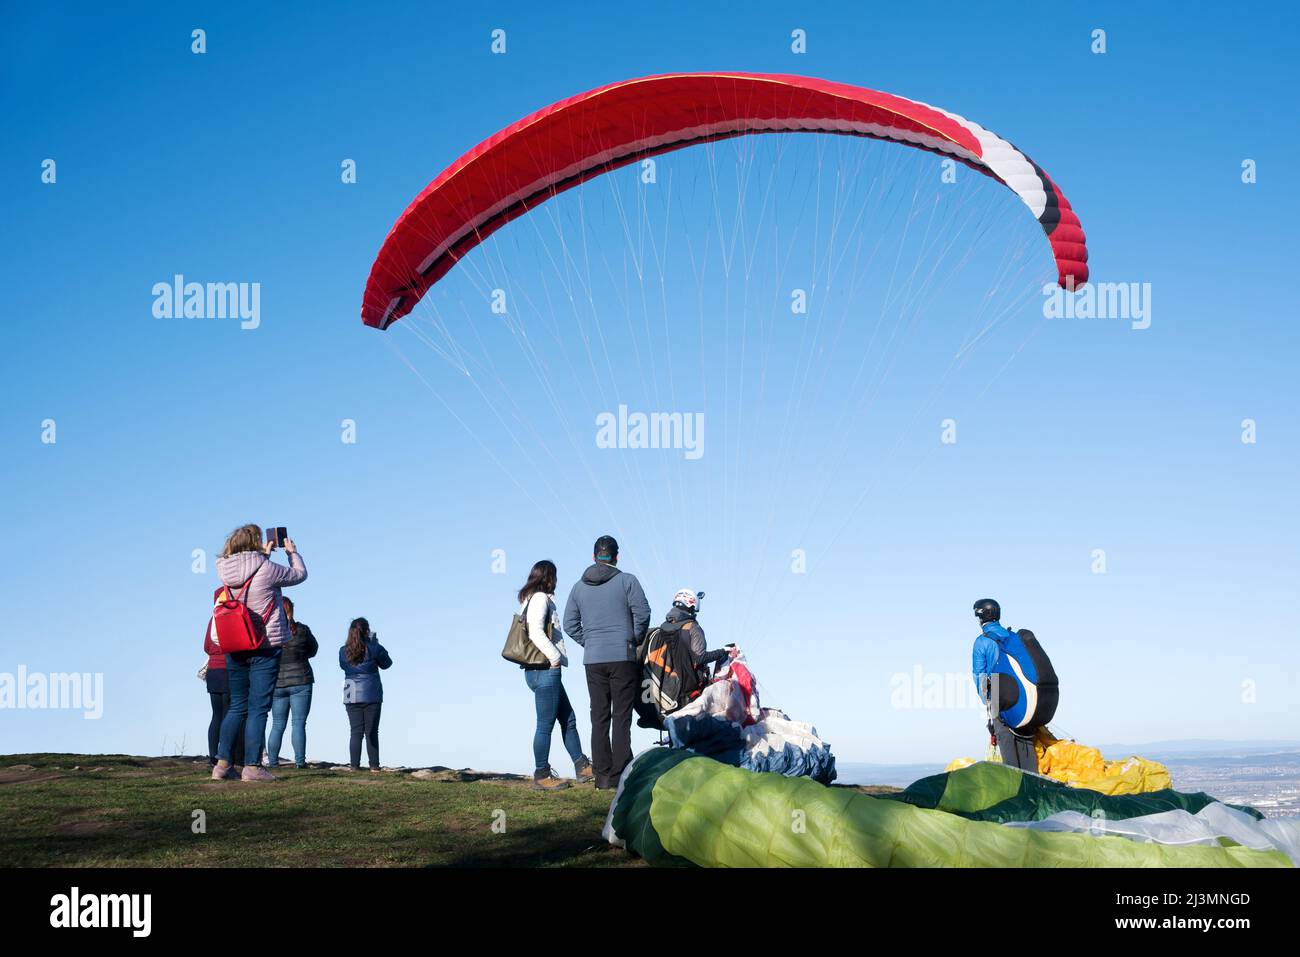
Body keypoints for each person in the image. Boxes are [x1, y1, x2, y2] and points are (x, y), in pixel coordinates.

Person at [211, 524, 307, 782]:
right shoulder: (266, 568)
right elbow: (299, 575)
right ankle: (252, 766)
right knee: (258, 707)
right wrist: (291, 552)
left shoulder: (225, 571)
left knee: (237, 706)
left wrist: (264, 555)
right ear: (255, 543)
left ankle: (222, 765)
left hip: (235, 645)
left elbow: (248, 568)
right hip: (264, 645)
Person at [563, 535, 651, 789]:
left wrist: (589, 642)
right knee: (621, 716)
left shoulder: (578, 587)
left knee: (598, 716)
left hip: (593, 660)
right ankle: (620, 774)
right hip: (622, 657)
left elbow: (570, 624)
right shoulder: (627, 581)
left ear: (594, 556)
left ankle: (601, 777)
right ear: (616, 557)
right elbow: (643, 613)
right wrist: (632, 639)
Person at [517, 561, 594, 791]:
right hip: (545, 671)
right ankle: (541, 775)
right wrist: (555, 658)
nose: (557, 581)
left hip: (538, 672)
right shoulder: (540, 598)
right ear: (548, 577)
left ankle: (582, 766)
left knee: (568, 719)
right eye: (555, 576)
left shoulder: (529, 599)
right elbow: (536, 631)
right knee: (545, 725)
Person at [635, 589, 732, 729]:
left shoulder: (662, 630)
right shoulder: (692, 628)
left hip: (665, 693)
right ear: (692, 607)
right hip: (688, 693)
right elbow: (700, 657)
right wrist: (723, 651)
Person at [971, 598, 1046, 772]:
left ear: (982, 617)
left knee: (1005, 741)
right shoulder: (1014, 637)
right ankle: (1033, 790)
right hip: (1024, 695)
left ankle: (1016, 792)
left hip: (999, 692)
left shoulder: (982, 641)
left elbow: (980, 677)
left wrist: (989, 705)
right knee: (1026, 742)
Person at [266, 596, 317, 769]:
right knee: (298, 723)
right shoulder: (302, 630)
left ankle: (272, 763)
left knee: (277, 724)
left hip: (277, 683)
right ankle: (300, 762)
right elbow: (313, 650)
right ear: (291, 610)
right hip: (301, 680)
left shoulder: (269, 631)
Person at [340, 617, 391, 772]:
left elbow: (343, 666)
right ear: (367, 631)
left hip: (350, 691)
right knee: (371, 731)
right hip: (371, 692)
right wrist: (375, 644)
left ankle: (354, 765)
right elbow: (387, 664)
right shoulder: (374, 648)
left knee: (355, 731)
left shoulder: (343, 650)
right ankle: (374, 766)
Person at [203, 627, 245, 774]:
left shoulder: (214, 618)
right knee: (230, 715)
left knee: (216, 715)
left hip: (213, 670)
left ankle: (213, 755)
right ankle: (226, 756)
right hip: (229, 669)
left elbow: (206, 646)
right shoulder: (234, 616)